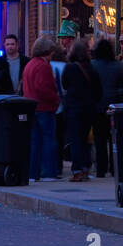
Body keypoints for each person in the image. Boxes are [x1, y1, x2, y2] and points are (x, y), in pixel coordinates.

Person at [90, 37, 123, 177]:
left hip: (97, 106)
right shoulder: (119, 67)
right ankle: (115, 168)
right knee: (114, 138)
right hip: (115, 107)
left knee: (100, 139)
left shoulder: (92, 65)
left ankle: (101, 169)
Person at [22, 36, 61, 181]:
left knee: (35, 141)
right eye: (51, 51)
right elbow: (43, 88)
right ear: (47, 51)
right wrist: (56, 99)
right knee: (48, 140)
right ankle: (48, 172)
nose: (52, 54)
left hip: (31, 107)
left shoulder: (30, 64)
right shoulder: (43, 66)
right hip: (44, 107)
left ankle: (33, 173)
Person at [62, 41, 102, 181]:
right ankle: (85, 168)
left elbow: (64, 84)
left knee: (75, 139)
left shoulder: (69, 67)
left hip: (74, 108)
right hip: (89, 108)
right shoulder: (91, 68)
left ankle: (77, 170)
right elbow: (98, 91)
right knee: (85, 139)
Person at [49, 42, 69, 175]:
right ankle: (58, 165)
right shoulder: (64, 66)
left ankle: (51, 164)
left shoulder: (47, 65)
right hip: (61, 105)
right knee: (60, 137)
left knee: (49, 137)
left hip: (49, 105)